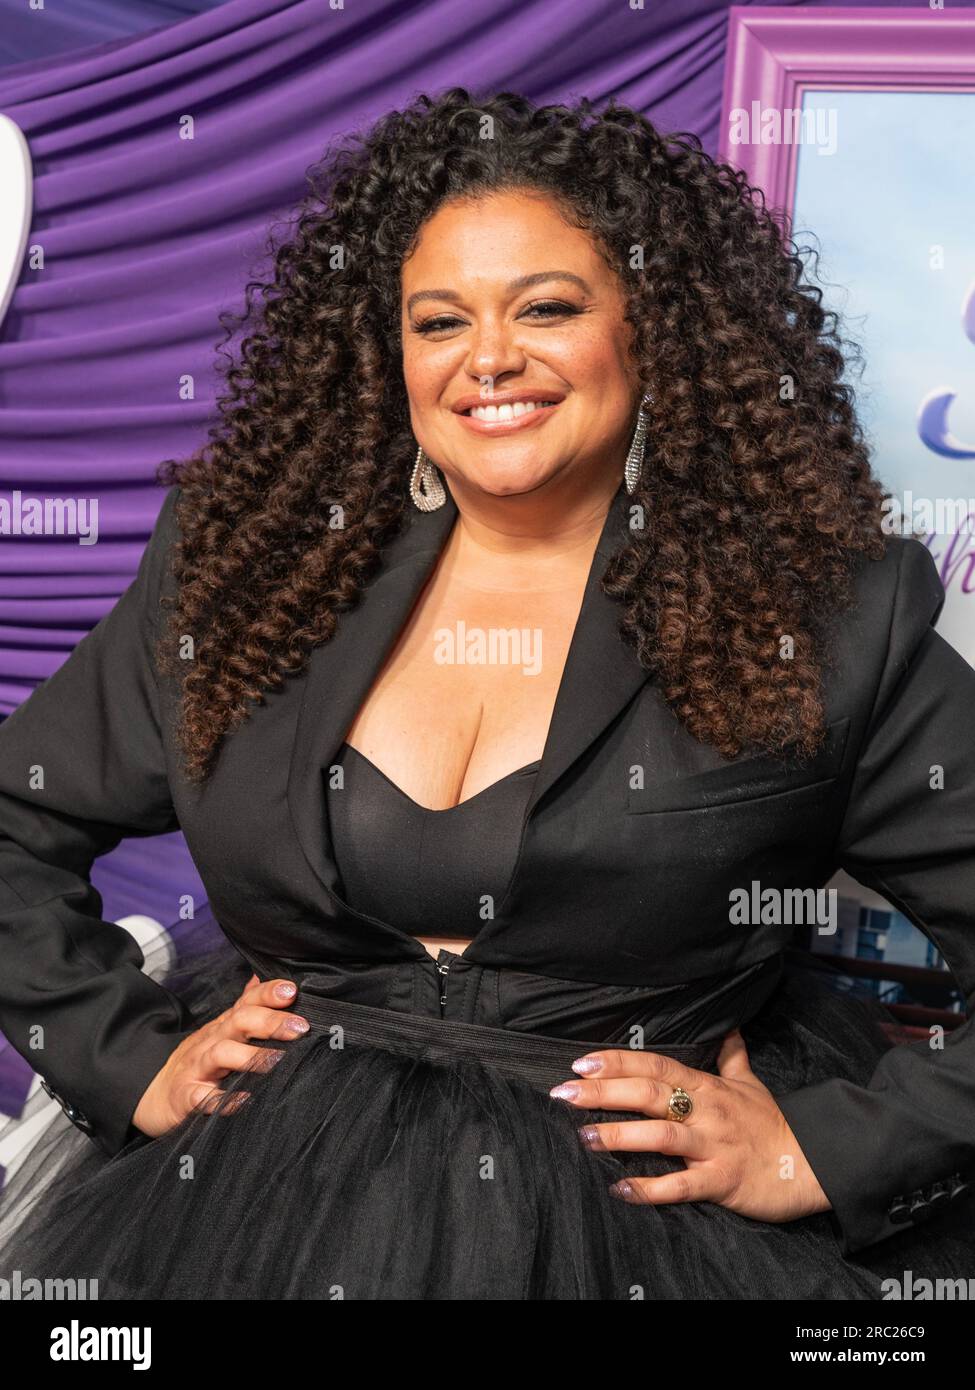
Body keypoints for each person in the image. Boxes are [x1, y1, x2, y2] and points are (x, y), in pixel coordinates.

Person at [0, 88, 973, 1301]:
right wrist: (120, 1059)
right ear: (388, 351)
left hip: (647, 1250)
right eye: (438, 320)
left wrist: (817, 1145)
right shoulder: (243, 568)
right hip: (248, 1227)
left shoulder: (823, 619)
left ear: (653, 330)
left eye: (549, 308)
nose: (489, 359)